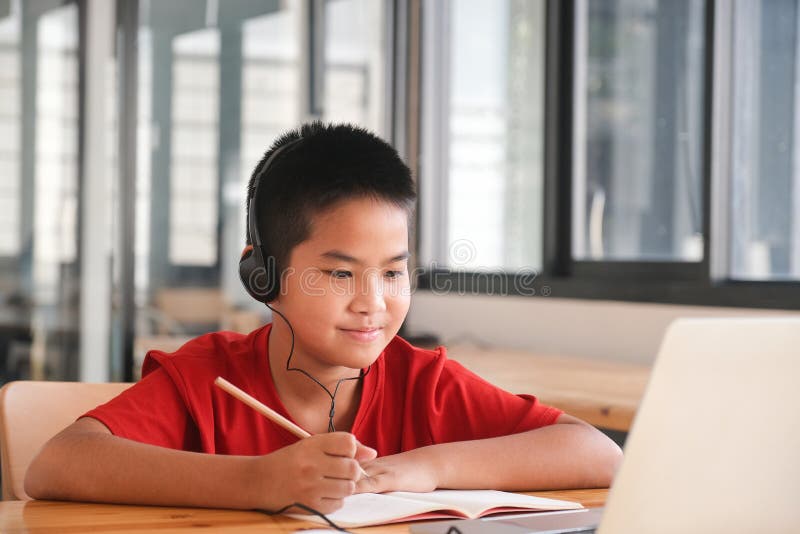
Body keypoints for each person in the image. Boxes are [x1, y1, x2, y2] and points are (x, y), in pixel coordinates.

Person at [25, 122, 622, 516]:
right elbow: (58, 463)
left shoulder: (423, 382)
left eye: (392, 272)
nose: (374, 301)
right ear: (264, 275)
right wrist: (259, 482)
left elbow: (599, 454)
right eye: (339, 274)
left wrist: (426, 467)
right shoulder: (208, 378)